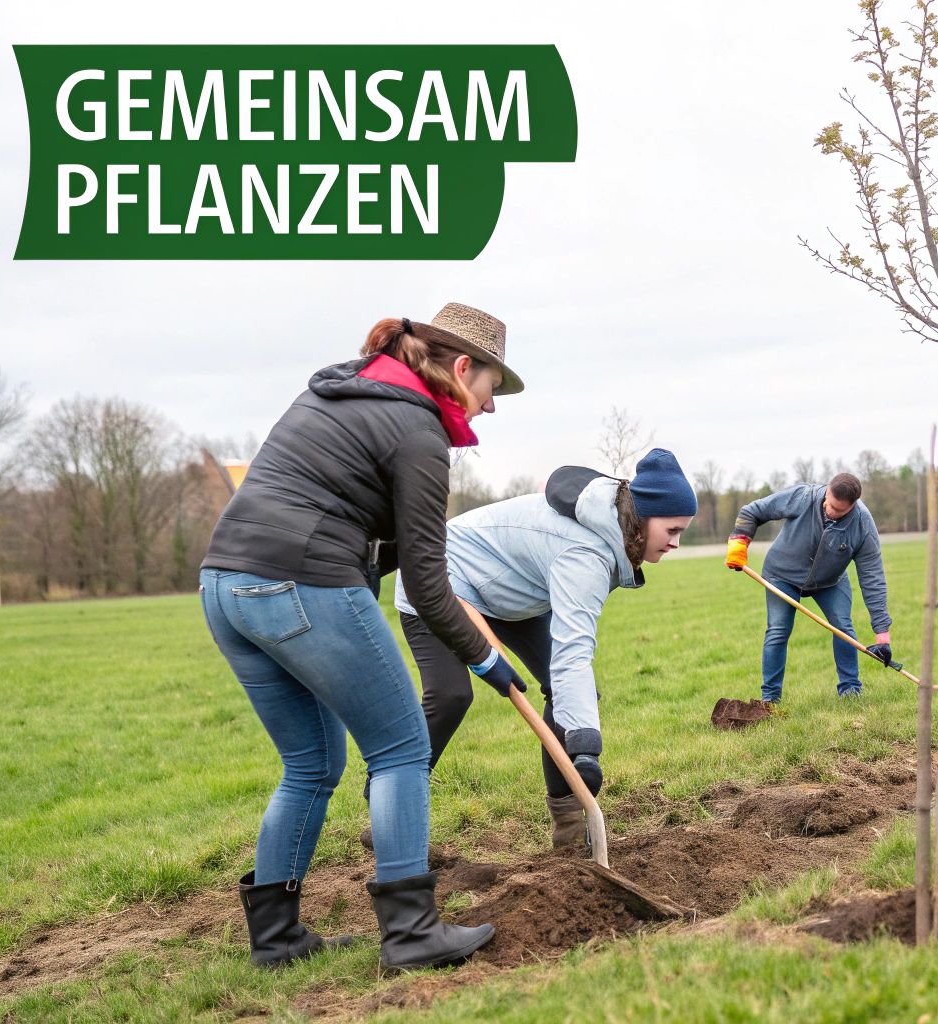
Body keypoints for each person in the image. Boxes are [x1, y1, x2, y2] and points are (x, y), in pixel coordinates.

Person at [200, 303, 525, 973]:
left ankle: (277, 939)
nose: (491, 408)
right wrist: (488, 659)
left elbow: (392, 542)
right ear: (463, 368)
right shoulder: (417, 429)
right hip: (299, 582)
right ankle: (411, 934)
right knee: (402, 745)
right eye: (493, 387)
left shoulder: (346, 388)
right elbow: (431, 590)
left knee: (312, 764)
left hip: (223, 588)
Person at [394, 449, 696, 852]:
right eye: (672, 530)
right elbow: (574, 651)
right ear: (643, 518)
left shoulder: (613, 530)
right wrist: (585, 748)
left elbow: (569, 667)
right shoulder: (585, 554)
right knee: (451, 694)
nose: (676, 543)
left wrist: (581, 741)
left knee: (568, 691)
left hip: (507, 593)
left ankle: (569, 824)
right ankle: (391, 809)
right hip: (438, 582)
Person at [724, 473, 891, 702]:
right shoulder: (803, 496)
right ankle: (770, 699)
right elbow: (752, 510)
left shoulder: (862, 524)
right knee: (778, 631)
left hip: (830, 581)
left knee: (843, 628)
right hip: (782, 575)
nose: (832, 512)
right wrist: (739, 544)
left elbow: (872, 577)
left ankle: (851, 690)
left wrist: (882, 635)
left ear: (852, 506)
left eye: (840, 511)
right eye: (830, 505)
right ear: (827, 491)